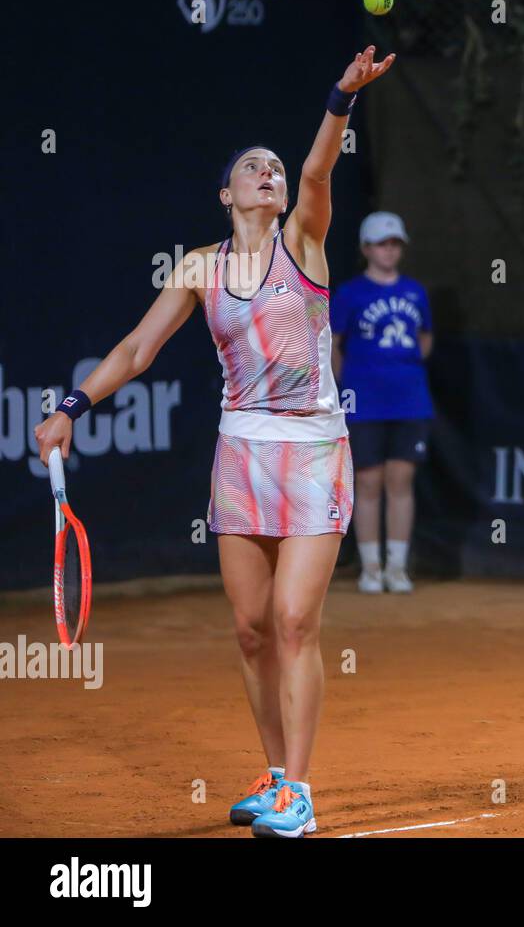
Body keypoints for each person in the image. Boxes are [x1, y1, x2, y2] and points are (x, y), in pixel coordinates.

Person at [34, 46, 397, 838]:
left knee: (297, 620)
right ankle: (273, 774)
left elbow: (315, 174)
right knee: (251, 629)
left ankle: (299, 792)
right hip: (240, 458)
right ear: (226, 193)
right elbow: (134, 352)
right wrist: (70, 406)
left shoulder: (305, 240)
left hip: (312, 452)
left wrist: (340, 96)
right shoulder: (198, 269)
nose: (268, 174)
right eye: (252, 168)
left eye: (273, 166)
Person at [330, 212, 435, 594]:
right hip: (365, 402)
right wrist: (350, 386)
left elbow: (425, 338)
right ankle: (371, 567)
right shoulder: (350, 294)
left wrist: (401, 371)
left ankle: (397, 567)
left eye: (394, 244)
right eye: (381, 244)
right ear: (366, 249)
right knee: (369, 481)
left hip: (410, 400)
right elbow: (334, 347)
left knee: (400, 480)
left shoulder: (415, 292)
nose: (389, 250)